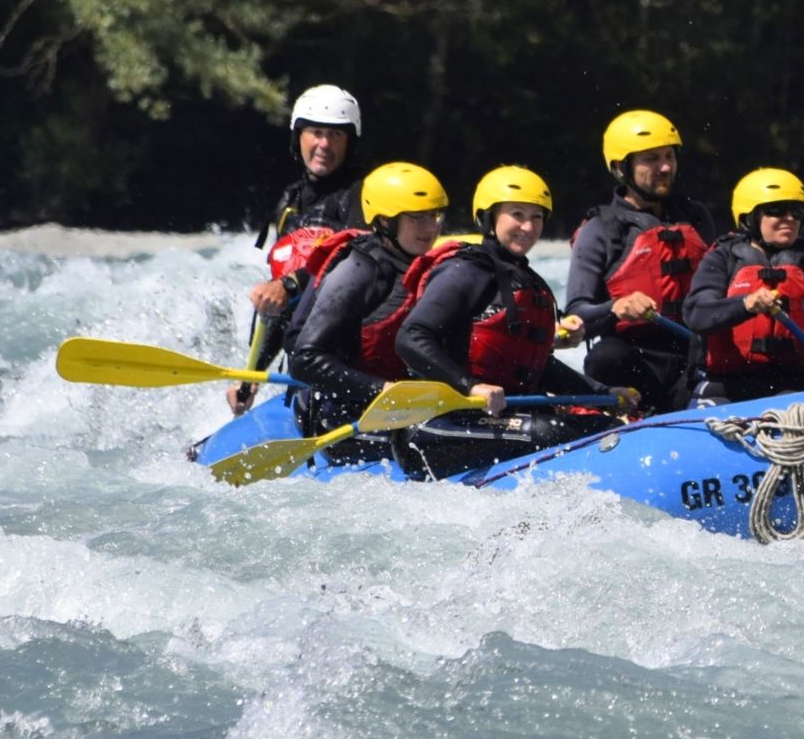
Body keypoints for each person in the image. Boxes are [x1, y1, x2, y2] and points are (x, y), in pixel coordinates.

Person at [394, 166, 633, 477]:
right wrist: (472, 386)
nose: (528, 226)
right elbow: (411, 337)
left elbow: (539, 367)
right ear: (489, 217)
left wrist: (605, 396)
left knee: (605, 427)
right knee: (553, 432)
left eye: (536, 217)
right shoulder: (464, 270)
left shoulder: (527, 281)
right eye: (517, 215)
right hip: (437, 425)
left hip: (500, 419)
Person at [284, 161, 447, 449]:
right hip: (339, 413)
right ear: (384, 220)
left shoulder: (427, 265)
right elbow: (303, 360)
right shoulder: (358, 270)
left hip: (400, 406)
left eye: (434, 216)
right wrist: (381, 390)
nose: (430, 228)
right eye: (417, 218)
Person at [563, 109, 717, 414]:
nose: (664, 167)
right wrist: (615, 308)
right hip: (634, 364)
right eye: (650, 159)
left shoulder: (696, 217)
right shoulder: (600, 230)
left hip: (692, 357)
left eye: (669, 156)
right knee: (605, 356)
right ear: (621, 168)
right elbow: (576, 315)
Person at [229, 84, 367, 414]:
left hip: (351, 358)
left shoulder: (362, 195)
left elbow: (356, 255)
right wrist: (251, 378)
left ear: (349, 142)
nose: (324, 144)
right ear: (299, 137)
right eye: (315, 133)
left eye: (335, 135)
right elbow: (277, 306)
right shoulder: (290, 203)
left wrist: (289, 284)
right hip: (304, 363)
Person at [683, 168, 804, 406]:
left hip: (795, 385)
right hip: (728, 385)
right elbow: (697, 313)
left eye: (797, 212)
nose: (789, 218)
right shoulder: (723, 258)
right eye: (776, 210)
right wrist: (745, 304)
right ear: (750, 217)